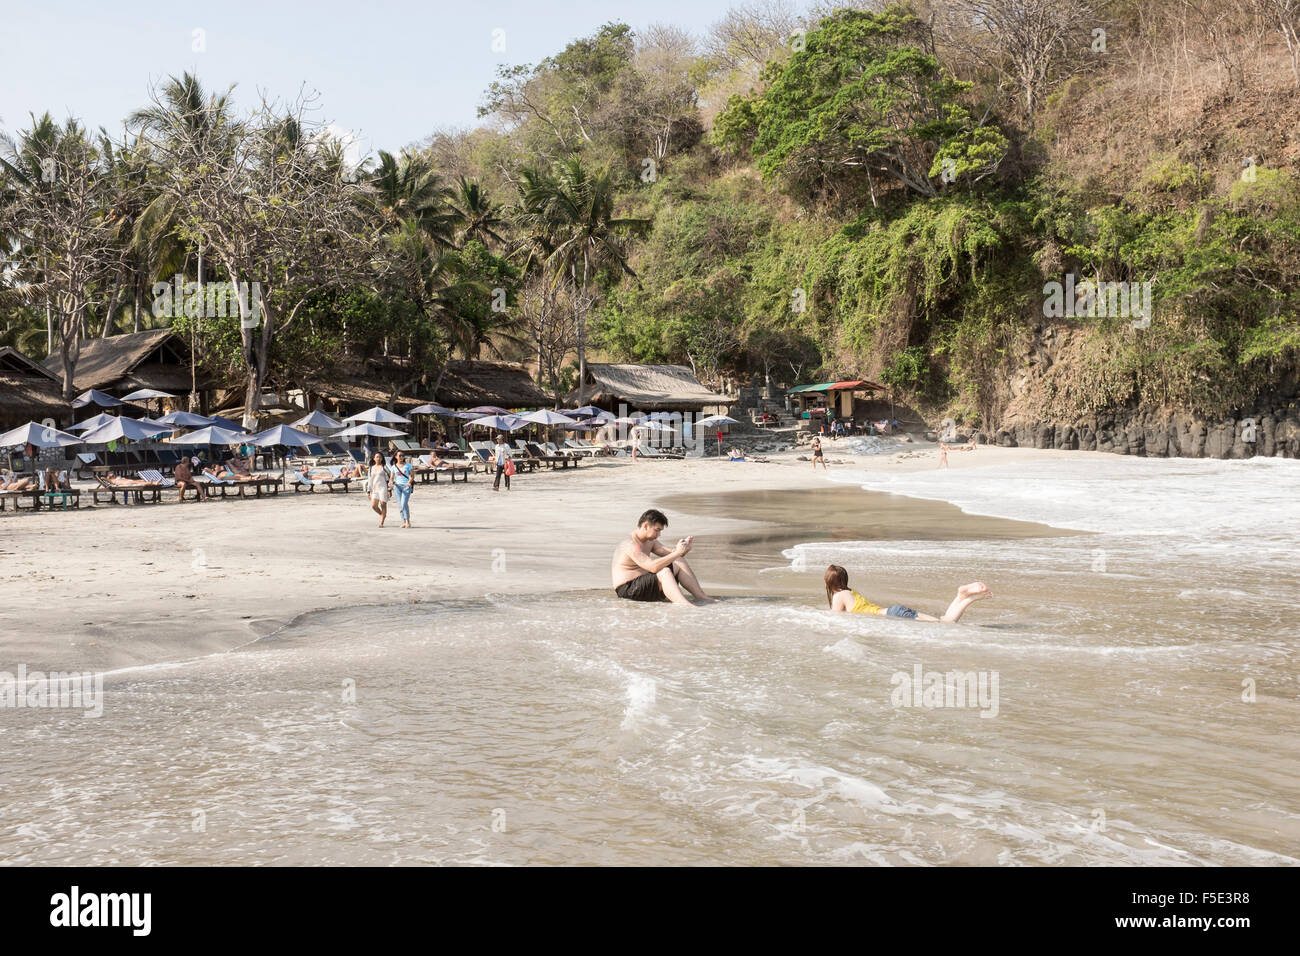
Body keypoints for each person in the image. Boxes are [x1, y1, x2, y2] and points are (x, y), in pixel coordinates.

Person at [611, 508, 715, 605]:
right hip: (628, 589)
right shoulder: (631, 544)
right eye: (657, 530)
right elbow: (652, 567)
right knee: (664, 572)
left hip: (644, 585)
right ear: (646, 526)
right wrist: (677, 553)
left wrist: (683, 549)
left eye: (660, 531)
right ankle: (684, 604)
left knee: (679, 560)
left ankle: (701, 596)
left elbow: (672, 554)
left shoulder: (650, 542)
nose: (659, 534)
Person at [824, 564, 991, 623]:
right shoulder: (850, 591)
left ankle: (967, 596)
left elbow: (836, 619)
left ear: (829, 582)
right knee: (945, 620)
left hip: (894, 615)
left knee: (946, 623)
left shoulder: (838, 595)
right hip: (893, 610)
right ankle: (965, 596)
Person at [389, 450, 413, 529]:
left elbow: (412, 476)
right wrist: (390, 483)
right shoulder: (393, 467)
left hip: (406, 486)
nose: (401, 457)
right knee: (400, 505)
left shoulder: (408, 465)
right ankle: (404, 521)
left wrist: (409, 482)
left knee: (404, 504)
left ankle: (408, 521)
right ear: (396, 457)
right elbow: (391, 478)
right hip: (397, 487)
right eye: (399, 456)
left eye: (402, 455)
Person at [367, 451, 390, 526]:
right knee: (374, 506)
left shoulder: (384, 467)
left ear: (382, 458)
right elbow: (369, 479)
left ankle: (381, 522)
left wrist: (389, 489)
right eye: (377, 457)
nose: (378, 458)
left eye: (380, 457)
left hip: (383, 488)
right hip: (374, 489)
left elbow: (389, 478)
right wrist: (368, 491)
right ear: (374, 458)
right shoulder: (371, 468)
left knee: (383, 504)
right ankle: (382, 515)